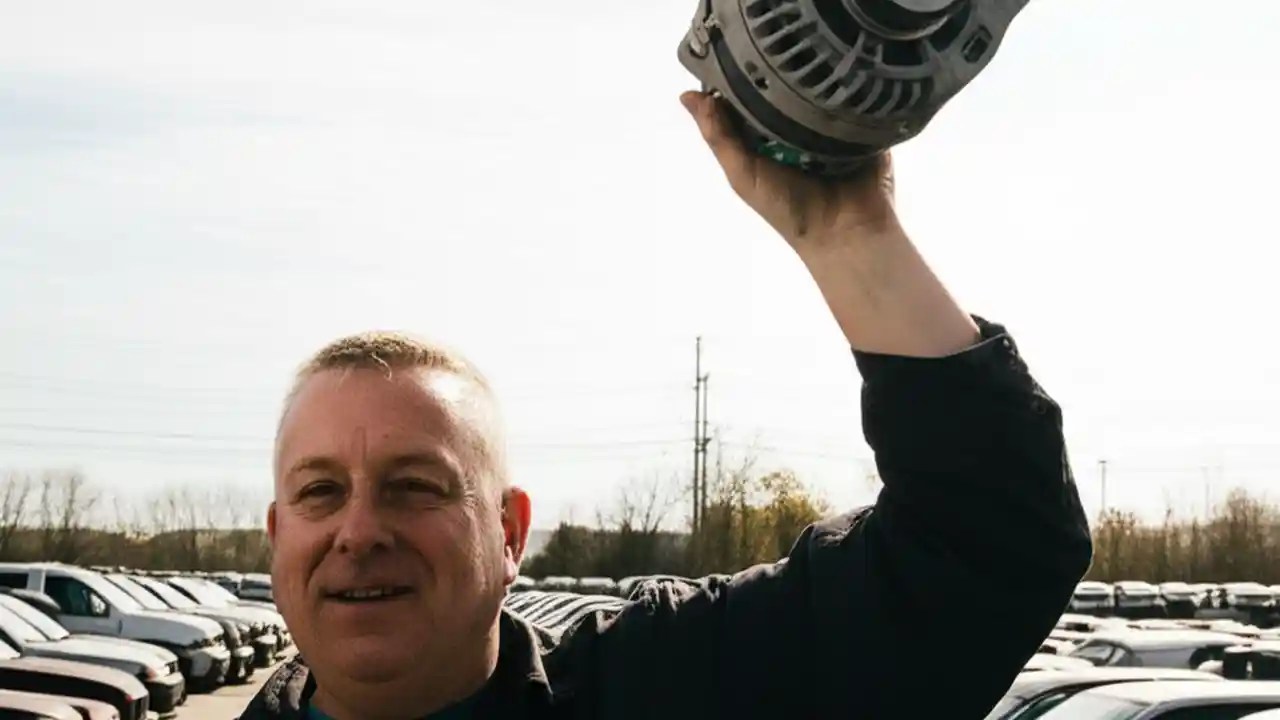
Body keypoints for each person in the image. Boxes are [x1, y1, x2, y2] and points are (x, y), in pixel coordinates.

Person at [237, 91, 1093, 720]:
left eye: (414, 485)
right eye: (320, 492)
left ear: (509, 533)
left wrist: (850, 237)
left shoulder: (668, 684)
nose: (358, 532)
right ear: (279, 541)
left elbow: (989, 545)